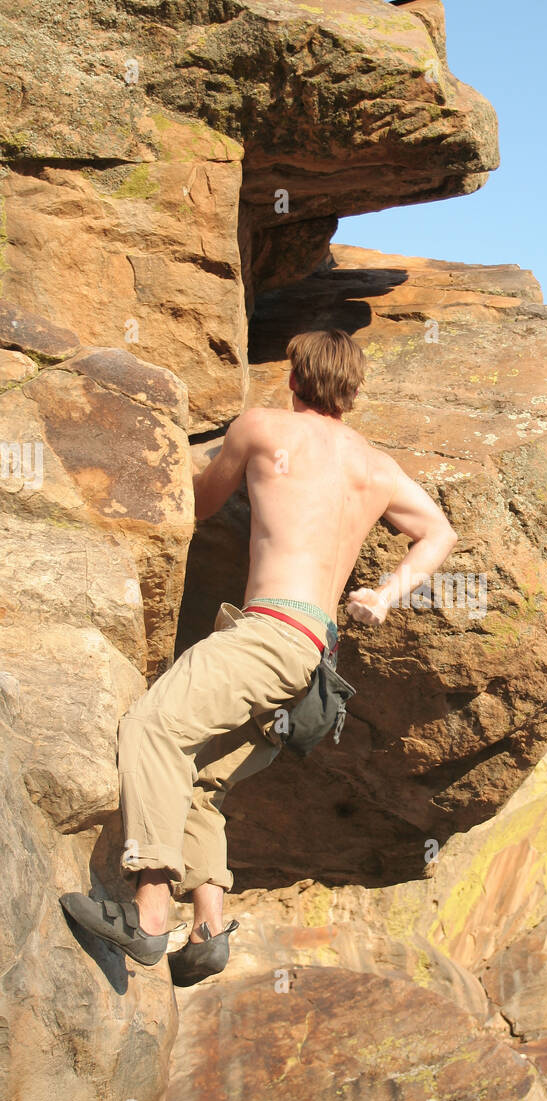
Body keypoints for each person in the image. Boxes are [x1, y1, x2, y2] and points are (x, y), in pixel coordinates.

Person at [61, 329, 459, 985]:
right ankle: (209, 928)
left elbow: (198, 501)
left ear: (295, 378)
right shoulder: (378, 470)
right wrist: (387, 595)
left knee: (153, 727)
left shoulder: (262, 428)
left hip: (268, 633)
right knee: (201, 782)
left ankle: (149, 914)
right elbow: (440, 531)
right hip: (313, 662)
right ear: (353, 394)